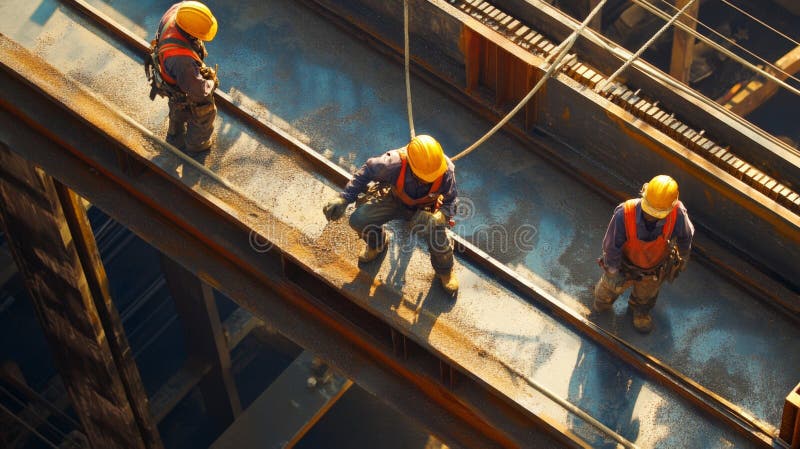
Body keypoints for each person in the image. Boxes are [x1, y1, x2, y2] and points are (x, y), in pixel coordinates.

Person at [323, 135, 459, 294]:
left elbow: (451, 200)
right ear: (412, 167)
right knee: (358, 220)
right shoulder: (392, 163)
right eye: (425, 178)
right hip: (394, 200)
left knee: (439, 239)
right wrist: (344, 198)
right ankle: (377, 243)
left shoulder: (445, 171)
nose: (430, 180)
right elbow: (366, 172)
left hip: (426, 210)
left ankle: (445, 271)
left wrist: (439, 216)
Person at [594, 175, 695, 333]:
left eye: (656, 214)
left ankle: (640, 312)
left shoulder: (677, 214)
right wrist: (612, 271)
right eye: (649, 211)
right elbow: (611, 245)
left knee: (645, 297)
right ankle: (602, 304)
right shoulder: (624, 213)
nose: (651, 216)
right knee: (607, 291)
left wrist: (684, 256)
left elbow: (686, 236)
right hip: (623, 265)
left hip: (653, 269)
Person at [146, 1, 219, 154]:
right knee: (204, 109)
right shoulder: (182, 60)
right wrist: (211, 81)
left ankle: (175, 132)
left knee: (177, 103)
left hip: (167, 69)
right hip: (177, 78)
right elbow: (199, 91)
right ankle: (197, 144)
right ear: (190, 33)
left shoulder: (179, 11)